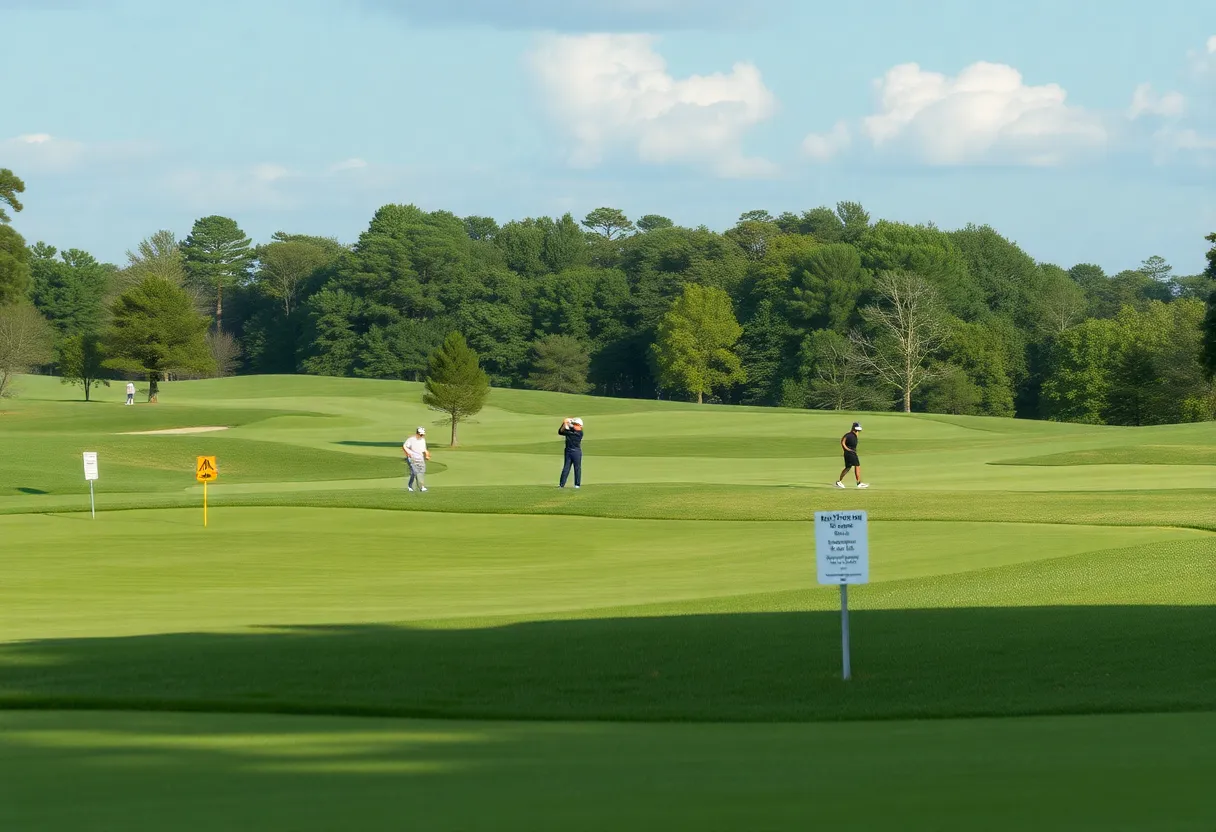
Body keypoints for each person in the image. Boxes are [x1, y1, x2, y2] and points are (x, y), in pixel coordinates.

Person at [836, 422, 869, 489]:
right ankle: (859, 483)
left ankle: (839, 482)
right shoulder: (849, 435)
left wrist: (846, 450)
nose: (857, 431)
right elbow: (842, 442)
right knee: (857, 466)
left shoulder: (854, 435)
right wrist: (847, 449)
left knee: (848, 467)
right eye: (856, 429)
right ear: (853, 428)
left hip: (850, 452)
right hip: (851, 453)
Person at [403, 427, 430, 492]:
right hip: (411, 458)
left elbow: (424, 449)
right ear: (417, 433)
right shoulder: (411, 439)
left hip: (420, 458)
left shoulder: (423, 440)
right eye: (421, 434)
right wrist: (408, 453)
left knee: (421, 472)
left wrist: (427, 454)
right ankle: (412, 486)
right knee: (415, 472)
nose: (422, 435)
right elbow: (404, 446)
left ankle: (421, 486)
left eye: (423, 434)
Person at [558, 417, 583, 489]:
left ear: (580, 426)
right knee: (566, 468)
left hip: (576, 452)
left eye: (576, 424)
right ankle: (561, 485)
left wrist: (566, 423)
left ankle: (577, 485)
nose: (574, 425)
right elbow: (560, 432)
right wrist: (565, 423)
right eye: (574, 424)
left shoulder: (579, 433)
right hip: (568, 451)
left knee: (577, 468)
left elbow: (566, 430)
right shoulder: (573, 430)